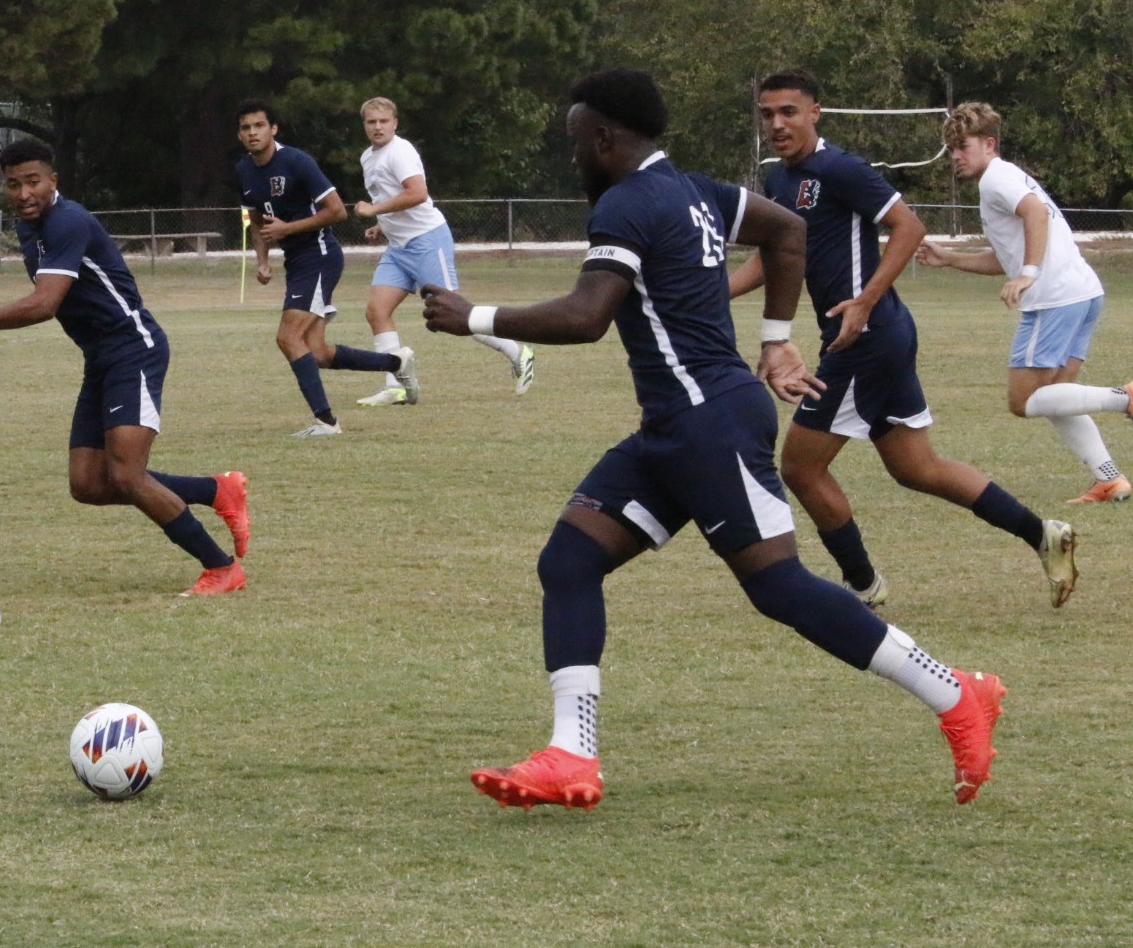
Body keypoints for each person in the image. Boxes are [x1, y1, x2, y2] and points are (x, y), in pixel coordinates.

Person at [422, 68, 1005, 811]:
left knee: (778, 587)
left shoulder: (628, 202)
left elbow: (587, 316)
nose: (572, 156)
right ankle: (571, 754)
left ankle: (956, 692)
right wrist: (774, 338)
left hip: (708, 422)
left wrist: (474, 317)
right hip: (677, 425)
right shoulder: (697, 191)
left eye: (575, 141)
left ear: (604, 138)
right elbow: (785, 230)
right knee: (569, 560)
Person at [730, 70, 1077, 609]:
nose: (777, 123)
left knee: (800, 467)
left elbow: (908, 226)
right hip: (877, 336)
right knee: (917, 468)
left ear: (815, 113)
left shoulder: (840, 168)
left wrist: (865, 300)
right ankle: (1043, 534)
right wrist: (713, 292)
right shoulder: (777, 181)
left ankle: (862, 587)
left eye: (788, 112)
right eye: (767, 114)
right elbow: (774, 256)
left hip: (866, 338)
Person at [0, 139, 251, 597]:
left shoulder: (68, 220)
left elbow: (44, 304)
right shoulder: (29, 226)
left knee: (127, 474)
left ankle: (222, 568)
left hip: (133, 349)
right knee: (88, 484)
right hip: (101, 359)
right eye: (13, 184)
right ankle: (214, 490)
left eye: (33, 181)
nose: (24, 193)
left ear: (53, 180)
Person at [918, 102, 1131, 503]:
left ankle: (1125, 397)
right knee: (1056, 398)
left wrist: (1029, 273)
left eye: (963, 146)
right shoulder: (1007, 178)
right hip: (1083, 293)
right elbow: (1006, 258)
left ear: (989, 143)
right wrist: (950, 258)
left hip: (1055, 299)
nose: (956, 156)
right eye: (951, 149)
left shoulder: (995, 179)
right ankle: (1109, 478)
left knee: (1023, 401)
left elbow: (1036, 215)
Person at [234, 100, 418, 436]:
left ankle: (326, 422)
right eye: (246, 128)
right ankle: (396, 362)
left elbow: (337, 212)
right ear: (239, 134)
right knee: (317, 352)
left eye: (259, 126)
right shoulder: (244, 171)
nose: (252, 133)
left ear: (273, 129)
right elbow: (257, 220)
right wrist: (262, 260)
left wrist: (288, 229)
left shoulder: (296, 161)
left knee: (288, 338)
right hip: (296, 261)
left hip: (319, 256)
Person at [351, 96, 535, 406]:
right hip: (398, 248)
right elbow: (391, 195)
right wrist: (381, 224)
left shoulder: (400, 151)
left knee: (454, 314)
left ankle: (518, 351)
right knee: (376, 311)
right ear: (364, 126)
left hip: (426, 240)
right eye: (372, 122)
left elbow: (418, 193)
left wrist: (374, 210)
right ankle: (396, 386)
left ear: (395, 123)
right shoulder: (368, 157)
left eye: (384, 121)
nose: (378, 127)